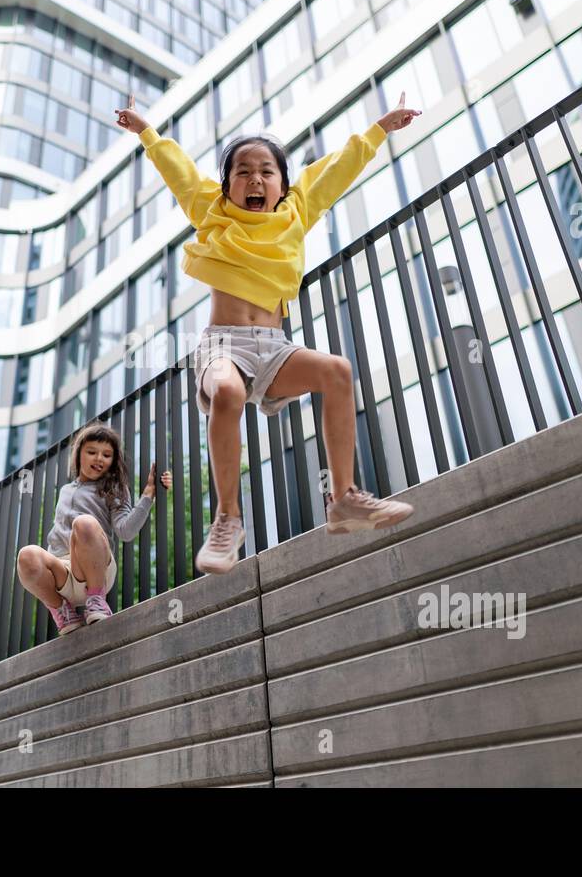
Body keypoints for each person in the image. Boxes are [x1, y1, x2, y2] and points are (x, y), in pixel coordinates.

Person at [114, 90, 421, 574]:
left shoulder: (297, 212)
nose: (255, 180)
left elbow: (339, 168)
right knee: (229, 394)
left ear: (281, 184)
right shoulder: (210, 210)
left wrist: (381, 128)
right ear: (227, 186)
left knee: (337, 371)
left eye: (266, 172)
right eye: (242, 172)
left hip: (276, 349)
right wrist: (145, 132)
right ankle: (227, 519)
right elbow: (177, 170)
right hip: (224, 345)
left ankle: (342, 499)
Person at [15, 421, 172, 633]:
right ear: (79, 453)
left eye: (106, 455)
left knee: (84, 523)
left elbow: (126, 531)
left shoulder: (114, 488)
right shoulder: (65, 489)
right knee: (27, 555)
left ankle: (97, 600)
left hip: (94, 570)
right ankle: (62, 610)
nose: (99, 459)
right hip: (62, 574)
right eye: (92, 452)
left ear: (113, 461)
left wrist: (148, 495)